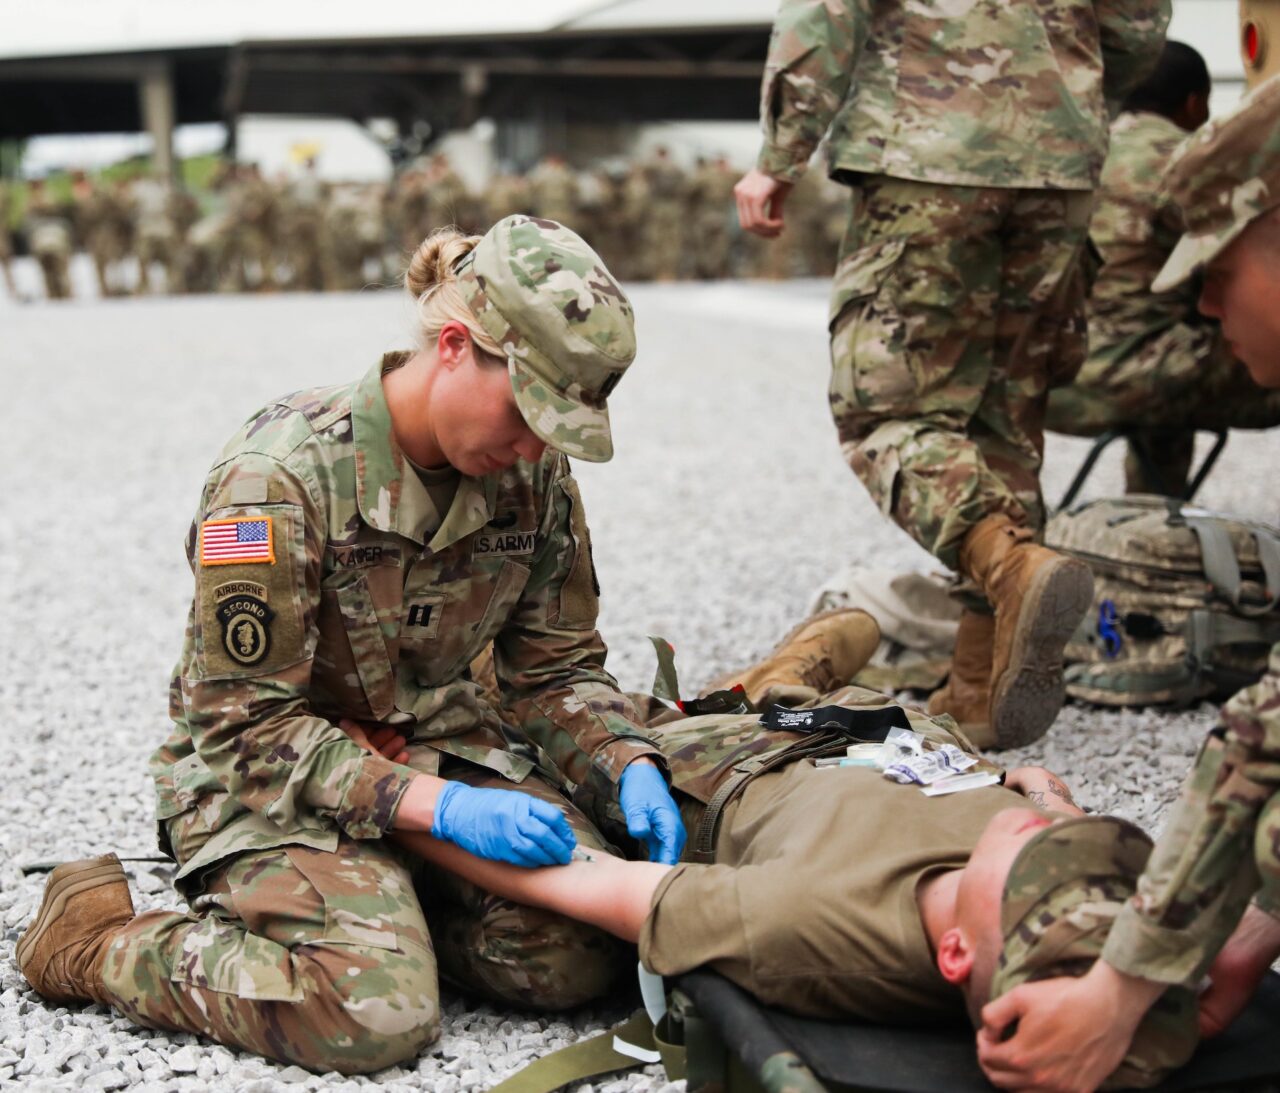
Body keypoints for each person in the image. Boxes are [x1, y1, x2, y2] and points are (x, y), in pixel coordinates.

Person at [15, 216, 690, 1075]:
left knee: (574, 959)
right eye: (527, 411)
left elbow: (552, 665)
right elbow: (242, 730)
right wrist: (430, 808)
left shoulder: (532, 474)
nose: (532, 446)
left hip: (434, 755)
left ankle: (383, 906)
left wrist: (623, 760)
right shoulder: (277, 480)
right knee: (373, 1015)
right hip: (269, 782)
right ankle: (99, 940)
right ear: (453, 346)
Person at [341, 684, 1200, 1091]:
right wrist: (1046, 795)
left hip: (741, 757)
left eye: (1033, 872)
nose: (1055, 850)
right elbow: (1073, 840)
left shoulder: (811, 924)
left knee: (511, 702)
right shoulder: (1075, 893)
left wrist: (407, 796)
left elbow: (587, 879)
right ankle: (813, 655)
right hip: (894, 730)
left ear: (955, 950)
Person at [734, 0, 1170, 750]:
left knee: (886, 409)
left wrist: (780, 154)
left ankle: (1009, 561)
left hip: (926, 150)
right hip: (1062, 161)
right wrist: (1066, 91)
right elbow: (1139, 24)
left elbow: (827, 12)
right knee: (1007, 412)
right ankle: (978, 683)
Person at [974, 75, 1280, 1093]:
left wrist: (1117, 987)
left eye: (1218, 270)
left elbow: (1263, 736)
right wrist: (1243, 927)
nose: (1196, 299)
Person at [1046, 42, 1280, 497]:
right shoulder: (1183, 165)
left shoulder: (1079, 152)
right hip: (1135, 379)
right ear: (1194, 103)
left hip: (1057, 381)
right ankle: (1157, 510)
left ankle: (1154, 516)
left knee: (1173, 335)